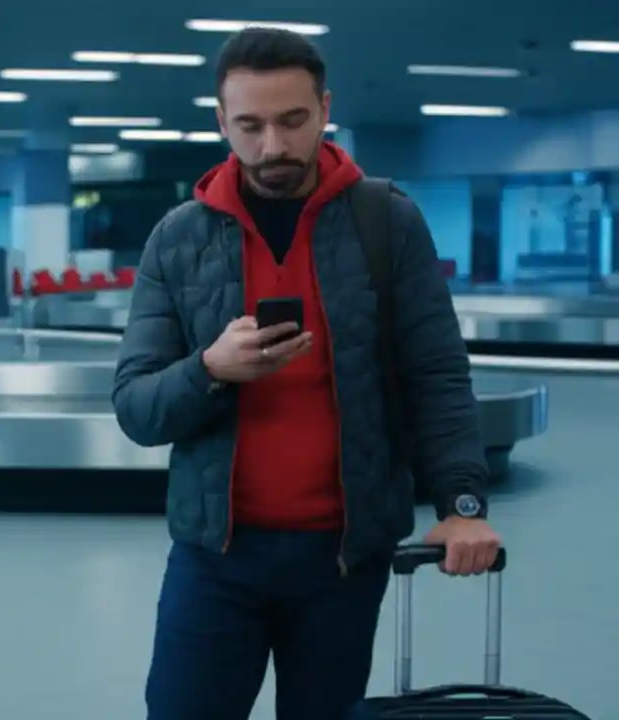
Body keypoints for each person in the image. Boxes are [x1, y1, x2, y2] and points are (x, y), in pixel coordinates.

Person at [111, 27, 503, 720]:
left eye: (292, 121)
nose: (272, 147)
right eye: (250, 125)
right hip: (215, 557)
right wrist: (210, 369)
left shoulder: (387, 221)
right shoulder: (179, 237)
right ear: (220, 123)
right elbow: (138, 409)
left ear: (324, 109)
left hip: (344, 561)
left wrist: (461, 505)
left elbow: (436, 375)